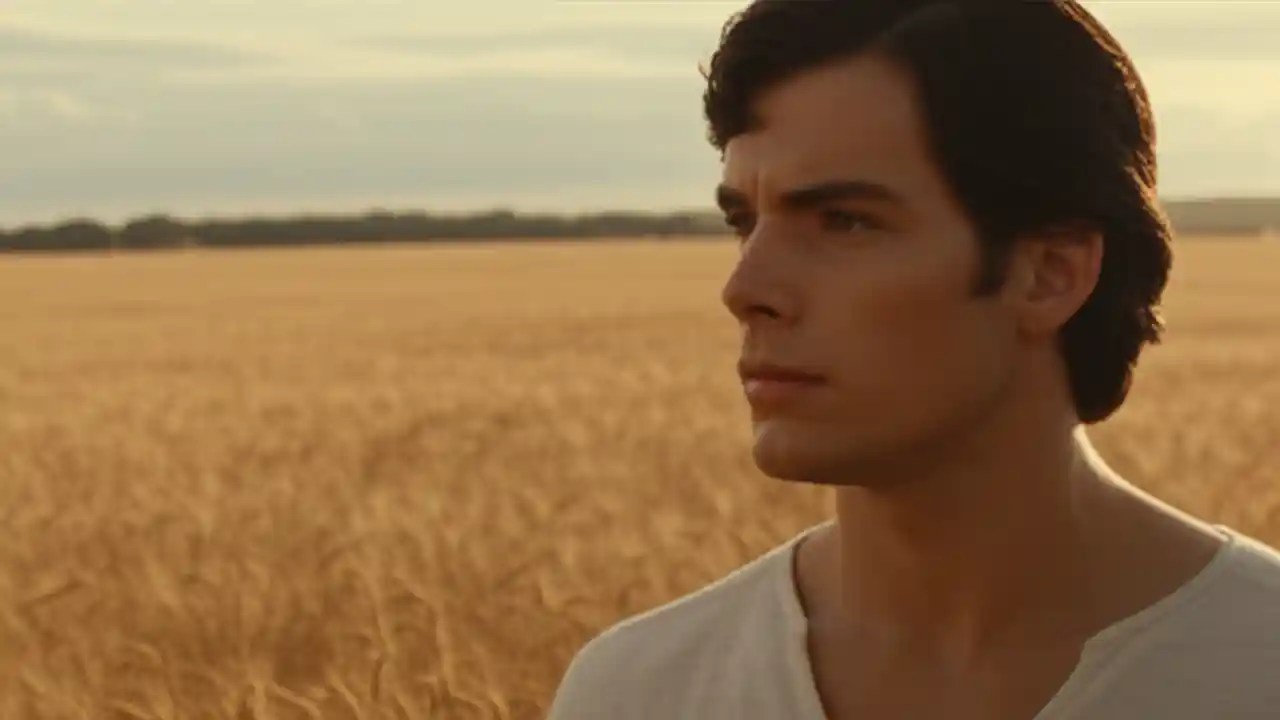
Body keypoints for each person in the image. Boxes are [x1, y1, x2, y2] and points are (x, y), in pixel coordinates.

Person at [547, 1, 1280, 718]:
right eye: (745, 222)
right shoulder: (639, 692)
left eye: (845, 222)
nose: (745, 290)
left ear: (1050, 274)